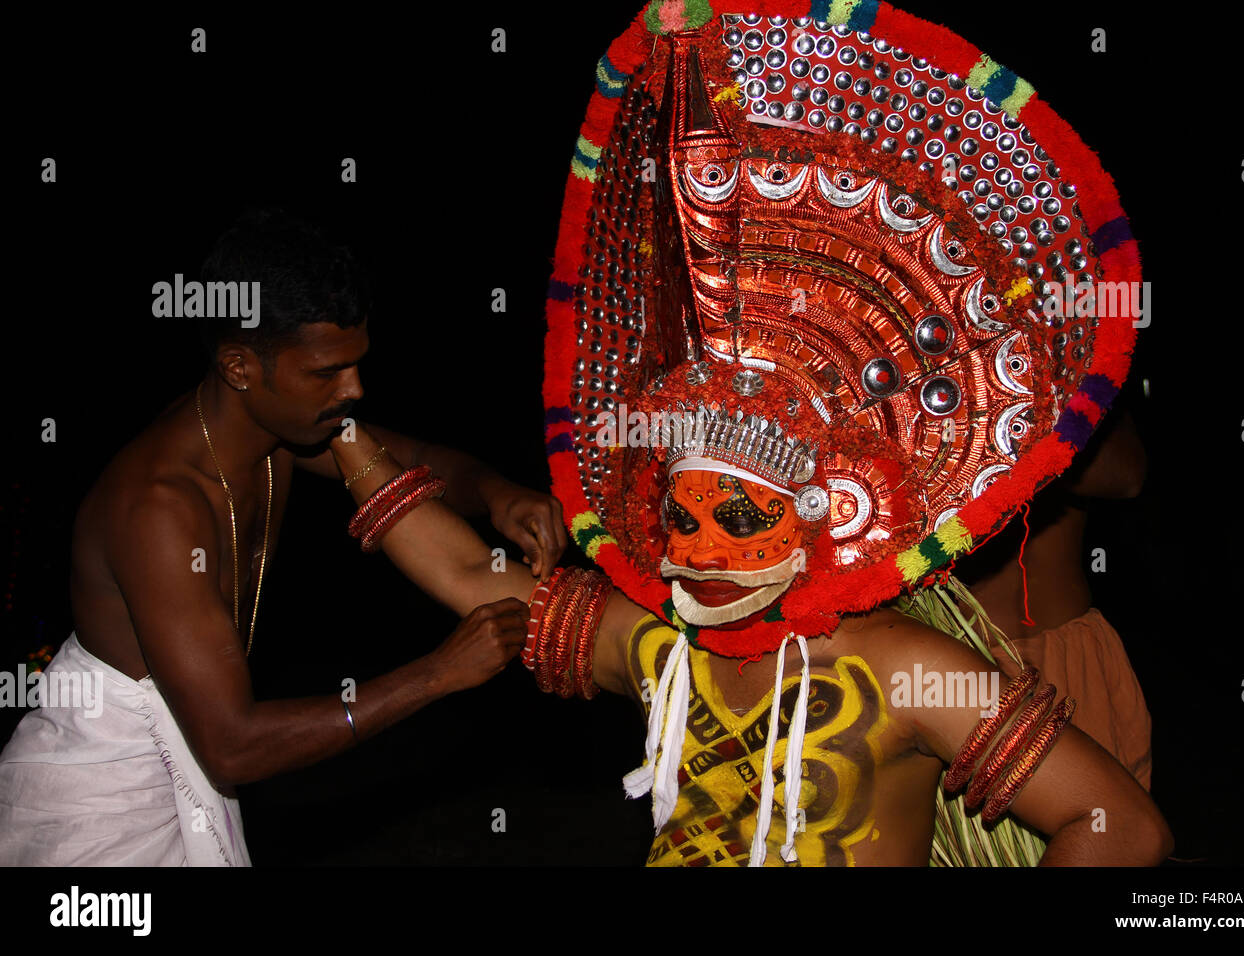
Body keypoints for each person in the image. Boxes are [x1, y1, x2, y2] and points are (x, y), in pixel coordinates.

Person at [321, 8, 1174, 865]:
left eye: (739, 519)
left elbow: (1118, 825)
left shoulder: (905, 668)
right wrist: (343, 436)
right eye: (683, 523)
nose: (703, 555)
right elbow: (475, 577)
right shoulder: (666, 648)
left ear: (821, 513)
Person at [0, 210, 564, 866]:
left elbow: (409, 458)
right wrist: (437, 675)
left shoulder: (280, 433)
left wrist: (498, 493)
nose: (354, 389)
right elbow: (232, 746)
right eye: (326, 372)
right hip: (95, 805)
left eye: (356, 365)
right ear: (240, 364)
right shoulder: (159, 508)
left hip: (189, 758)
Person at [958, 405, 1154, 790]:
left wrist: (1013, 422)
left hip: (1069, 661)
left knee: (1104, 832)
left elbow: (1126, 474)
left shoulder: (1070, 358)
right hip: (953, 665)